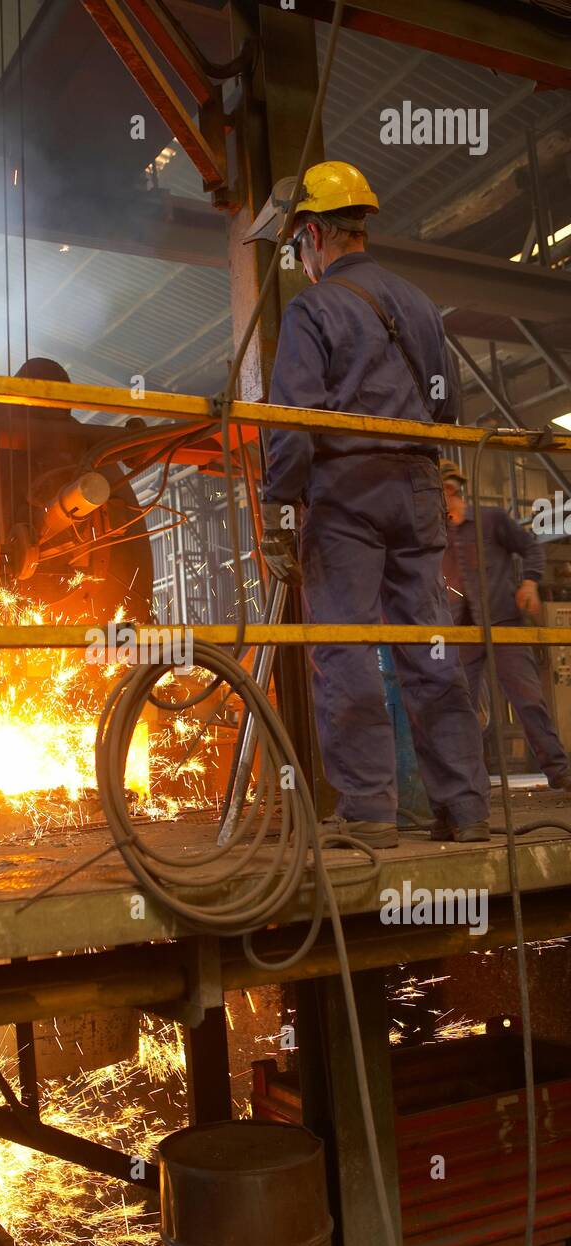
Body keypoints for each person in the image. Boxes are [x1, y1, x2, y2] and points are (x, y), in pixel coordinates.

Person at [245, 160, 490, 847]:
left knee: (345, 646)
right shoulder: (418, 305)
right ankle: (465, 810)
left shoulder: (313, 308)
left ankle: (369, 813)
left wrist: (280, 510)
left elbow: (291, 421)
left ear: (317, 234)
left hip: (347, 495)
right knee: (429, 647)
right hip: (414, 488)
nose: (299, 259)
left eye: (297, 246)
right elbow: (447, 407)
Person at [441, 459, 571, 790]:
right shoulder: (435, 533)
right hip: (464, 633)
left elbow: (530, 549)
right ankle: (469, 785)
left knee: (528, 700)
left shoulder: (491, 520)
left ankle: (559, 771)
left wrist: (529, 583)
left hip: (503, 623)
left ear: (449, 490)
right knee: (461, 707)